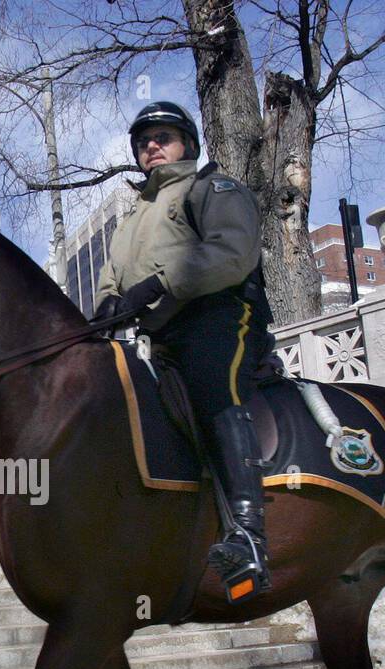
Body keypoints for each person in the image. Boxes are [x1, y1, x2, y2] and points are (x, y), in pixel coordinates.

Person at [93, 101, 275, 603]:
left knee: (211, 382)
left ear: (187, 144)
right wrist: (107, 303)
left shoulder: (212, 188)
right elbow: (112, 278)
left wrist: (157, 285)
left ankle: (247, 537)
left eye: (163, 136)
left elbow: (232, 252)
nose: (151, 146)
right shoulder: (132, 219)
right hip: (156, 334)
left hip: (218, 316)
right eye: (143, 140)